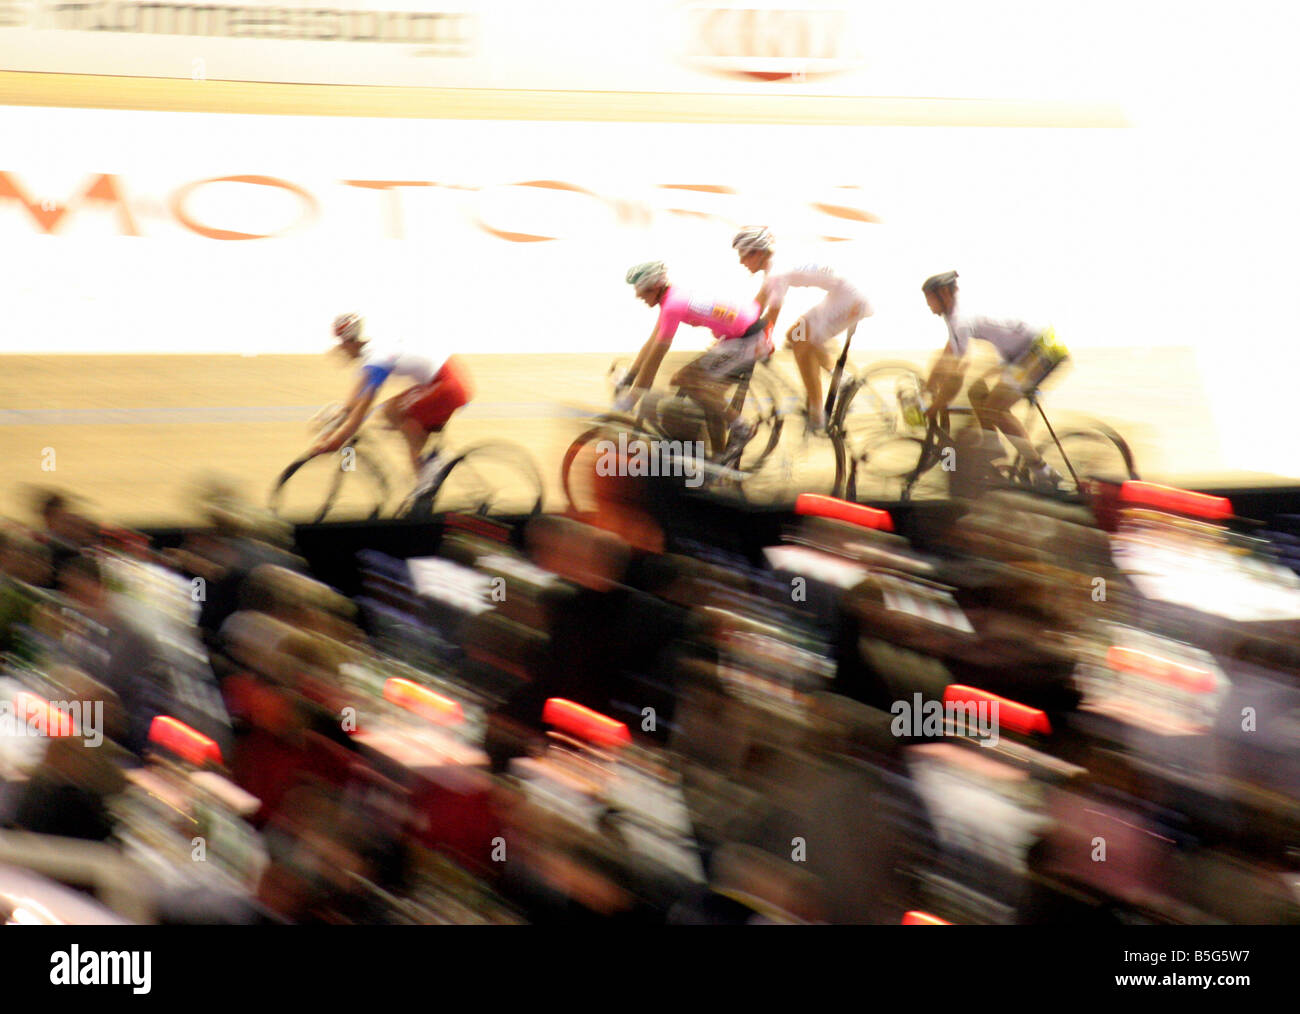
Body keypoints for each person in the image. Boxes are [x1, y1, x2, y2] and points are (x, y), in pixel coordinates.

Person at [919, 271, 1068, 489]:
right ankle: (995, 451)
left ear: (943, 294)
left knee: (996, 409)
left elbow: (958, 373)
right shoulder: (953, 315)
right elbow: (948, 355)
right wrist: (928, 385)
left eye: (930, 300)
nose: (929, 307)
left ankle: (1043, 470)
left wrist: (936, 406)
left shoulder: (961, 318)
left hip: (1041, 350)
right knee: (976, 392)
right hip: (1019, 354)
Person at [617, 262, 772, 457]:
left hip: (748, 339)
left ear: (655, 287)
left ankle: (742, 427)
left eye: (640, 290)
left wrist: (631, 398)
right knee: (699, 391)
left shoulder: (673, 305)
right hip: (738, 335)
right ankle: (719, 459)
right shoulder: (671, 298)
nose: (637, 295)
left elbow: (655, 358)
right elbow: (651, 343)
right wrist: (631, 375)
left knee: (686, 380)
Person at [310, 313, 474, 493]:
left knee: (399, 416)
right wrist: (336, 421)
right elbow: (353, 403)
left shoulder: (376, 359)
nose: (339, 352)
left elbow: (361, 411)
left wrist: (336, 441)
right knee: (391, 413)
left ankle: (431, 470)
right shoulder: (371, 354)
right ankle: (426, 483)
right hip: (445, 381)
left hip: (448, 385)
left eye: (340, 346)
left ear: (349, 342)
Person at [732, 226, 872, 434]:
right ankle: (833, 390)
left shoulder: (776, 273)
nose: (741, 261)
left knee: (801, 340)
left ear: (758, 253)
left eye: (743, 255)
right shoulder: (773, 268)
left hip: (851, 300)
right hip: (840, 294)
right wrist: (735, 327)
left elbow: (772, 315)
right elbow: (756, 307)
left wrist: (761, 341)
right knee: (796, 337)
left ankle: (824, 404)